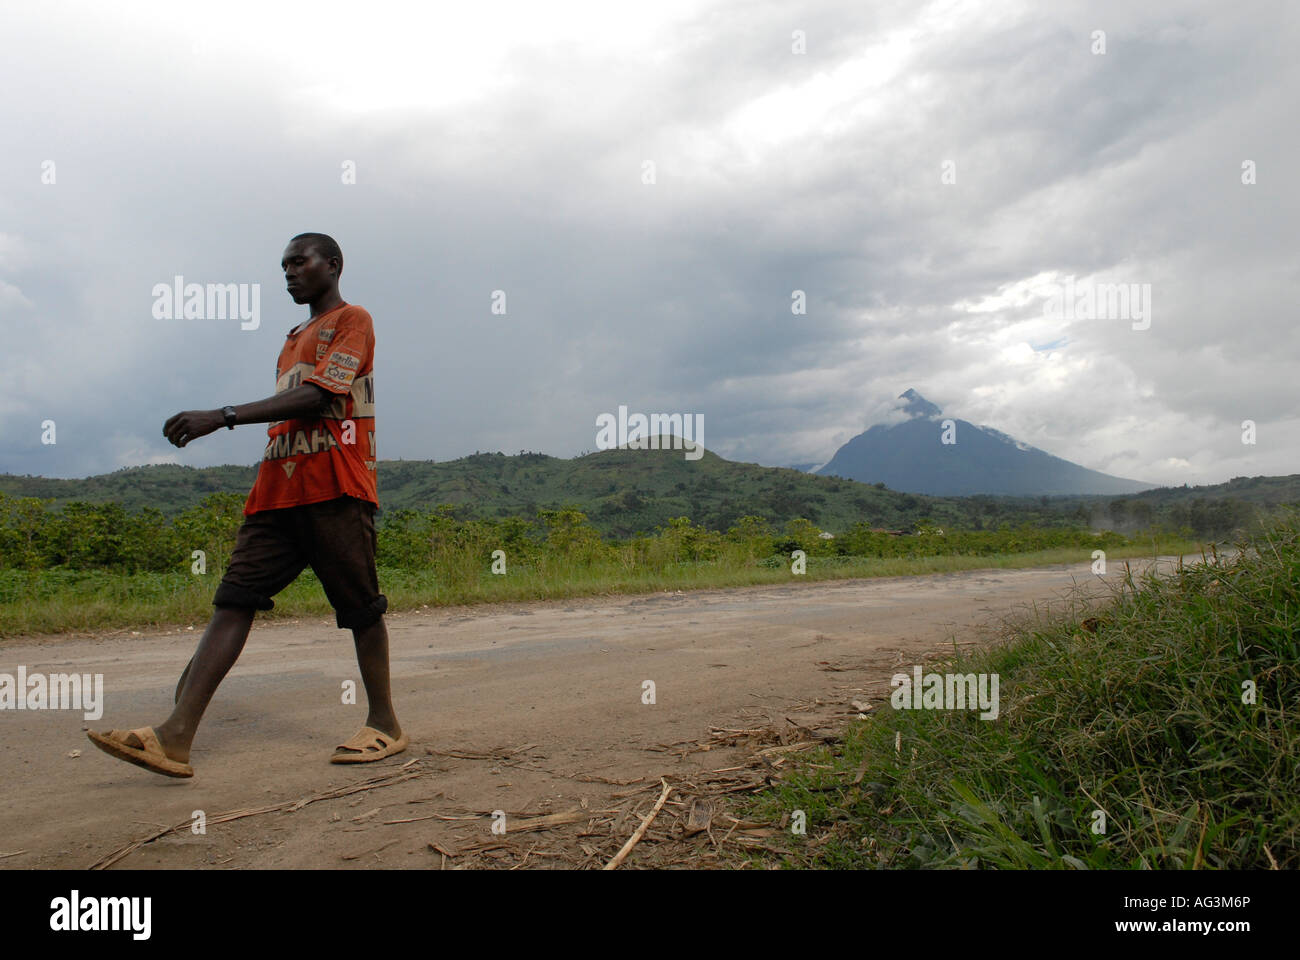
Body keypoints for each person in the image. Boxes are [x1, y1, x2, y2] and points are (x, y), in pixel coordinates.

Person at [87, 233, 405, 778]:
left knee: (360, 609)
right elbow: (292, 405)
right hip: (277, 493)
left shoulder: (353, 319)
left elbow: (322, 396)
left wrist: (222, 415)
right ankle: (175, 736)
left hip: (336, 488)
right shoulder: (291, 339)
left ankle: (385, 724)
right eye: (283, 265)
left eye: (299, 262)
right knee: (233, 600)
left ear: (333, 265)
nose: (289, 272)